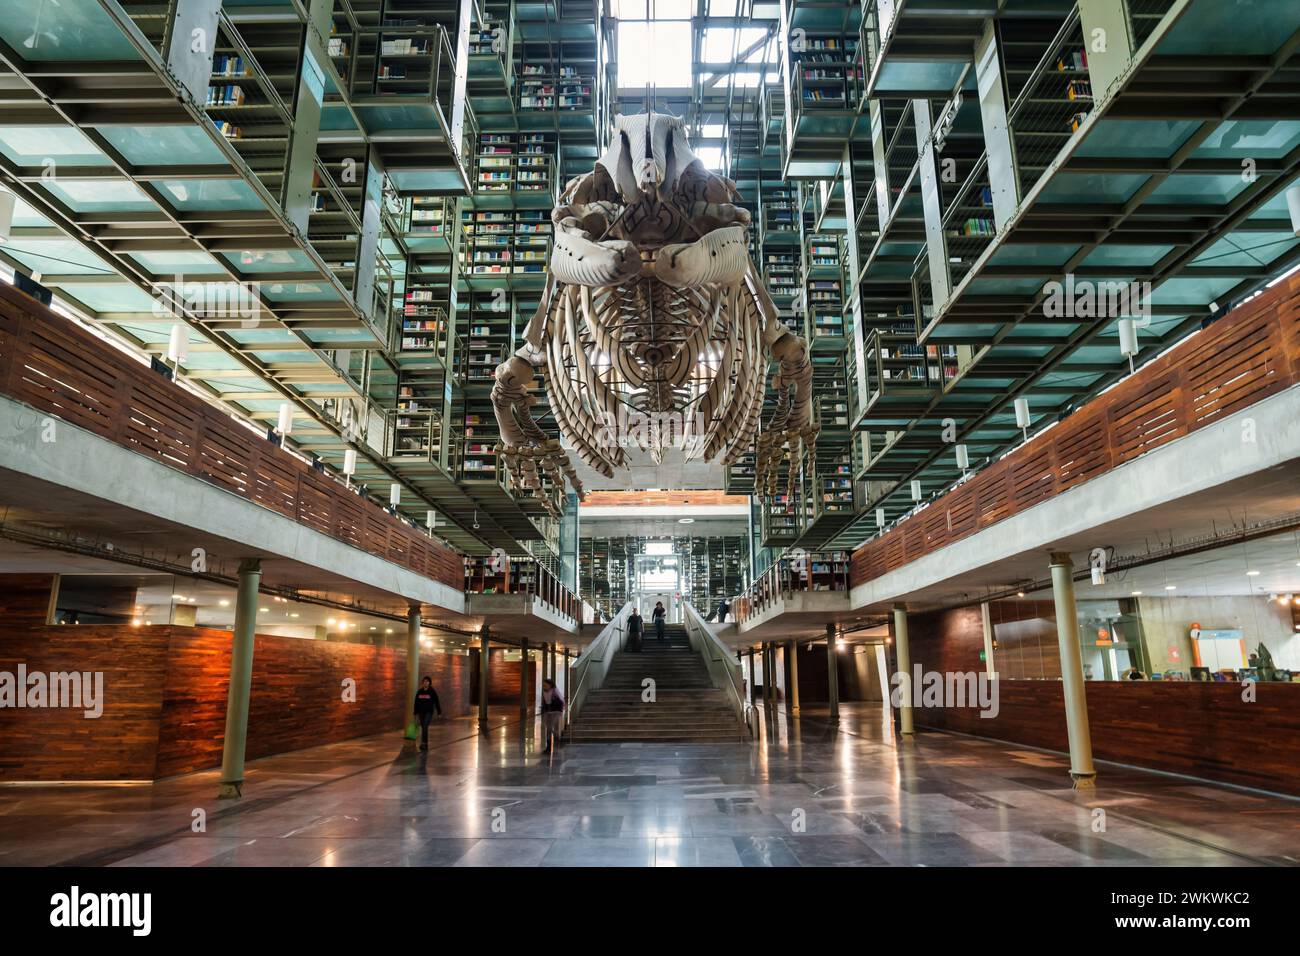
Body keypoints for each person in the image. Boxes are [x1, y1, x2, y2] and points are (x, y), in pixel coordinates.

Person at [413, 676, 441, 751]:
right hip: (421, 712)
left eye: (427, 681)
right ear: (422, 683)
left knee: (425, 726)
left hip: (429, 712)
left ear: (429, 683)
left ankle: (423, 743)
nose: (425, 682)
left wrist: (439, 712)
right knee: (423, 727)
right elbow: (416, 702)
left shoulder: (432, 691)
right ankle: (425, 743)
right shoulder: (420, 691)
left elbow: (436, 701)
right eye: (424, 681)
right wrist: (415, 713)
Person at [540, 678, 564, 753]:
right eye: (543, 685)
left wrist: (558, 709)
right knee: (548, 729)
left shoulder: (554, 691)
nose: (544, 686)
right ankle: (549, 747)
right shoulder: (544, 692)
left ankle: (557, 740)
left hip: (555, 712)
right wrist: (544, 709)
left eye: (545, 685)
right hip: (548, 712)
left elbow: (561, 701)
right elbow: (544, 701)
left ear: (550, 685)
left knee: (551, 728)